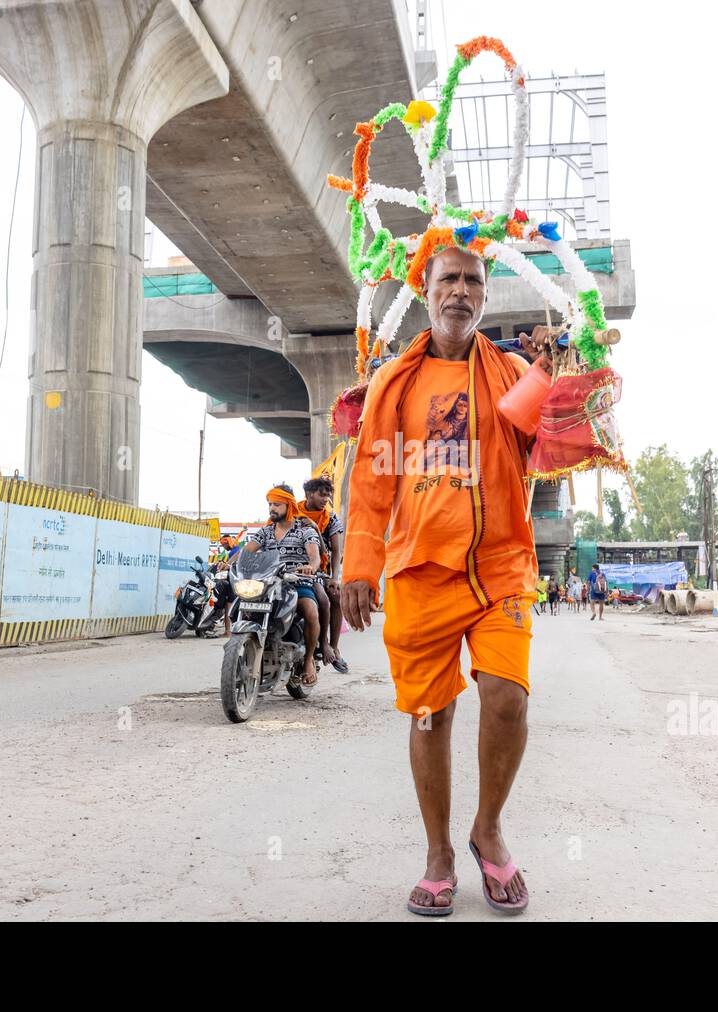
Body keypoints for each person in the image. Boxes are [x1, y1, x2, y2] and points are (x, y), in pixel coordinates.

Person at [343, 244, 556, 917]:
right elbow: (373, 481)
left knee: (508, 696)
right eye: (448, 279)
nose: (461, 290)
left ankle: (486, 828)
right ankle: (438, 853)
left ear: (486, 294)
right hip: (419, 571)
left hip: (501, 568)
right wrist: (358, 565)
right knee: (430, 716)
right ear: (426, 289)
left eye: (473, 280)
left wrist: (563, 367)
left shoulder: (515, 371)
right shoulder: (393, 385)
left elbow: (555, 440)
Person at [243, 484, 322, 686]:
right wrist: (229, 562)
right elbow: (247, 550)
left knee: (311, 611)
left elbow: (315, 557)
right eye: (270, 504)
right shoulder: (266, 531)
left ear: (288, 505)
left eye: (277, 504)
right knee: (244, 604)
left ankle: (308, 660)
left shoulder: (303, 530)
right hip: (268, 583)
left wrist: (310, 567)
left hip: (296, 582)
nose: (272, 508)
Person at [297, 475, 349, 674]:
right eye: (322, 494)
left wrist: (334, 577)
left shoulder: (331, 518)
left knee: (334, 596)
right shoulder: (293, 512)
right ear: (309, 494)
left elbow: (336, 551)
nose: (325, 499)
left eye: (328, 496)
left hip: (320, 569)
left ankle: (331, 645)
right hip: (290, 567)